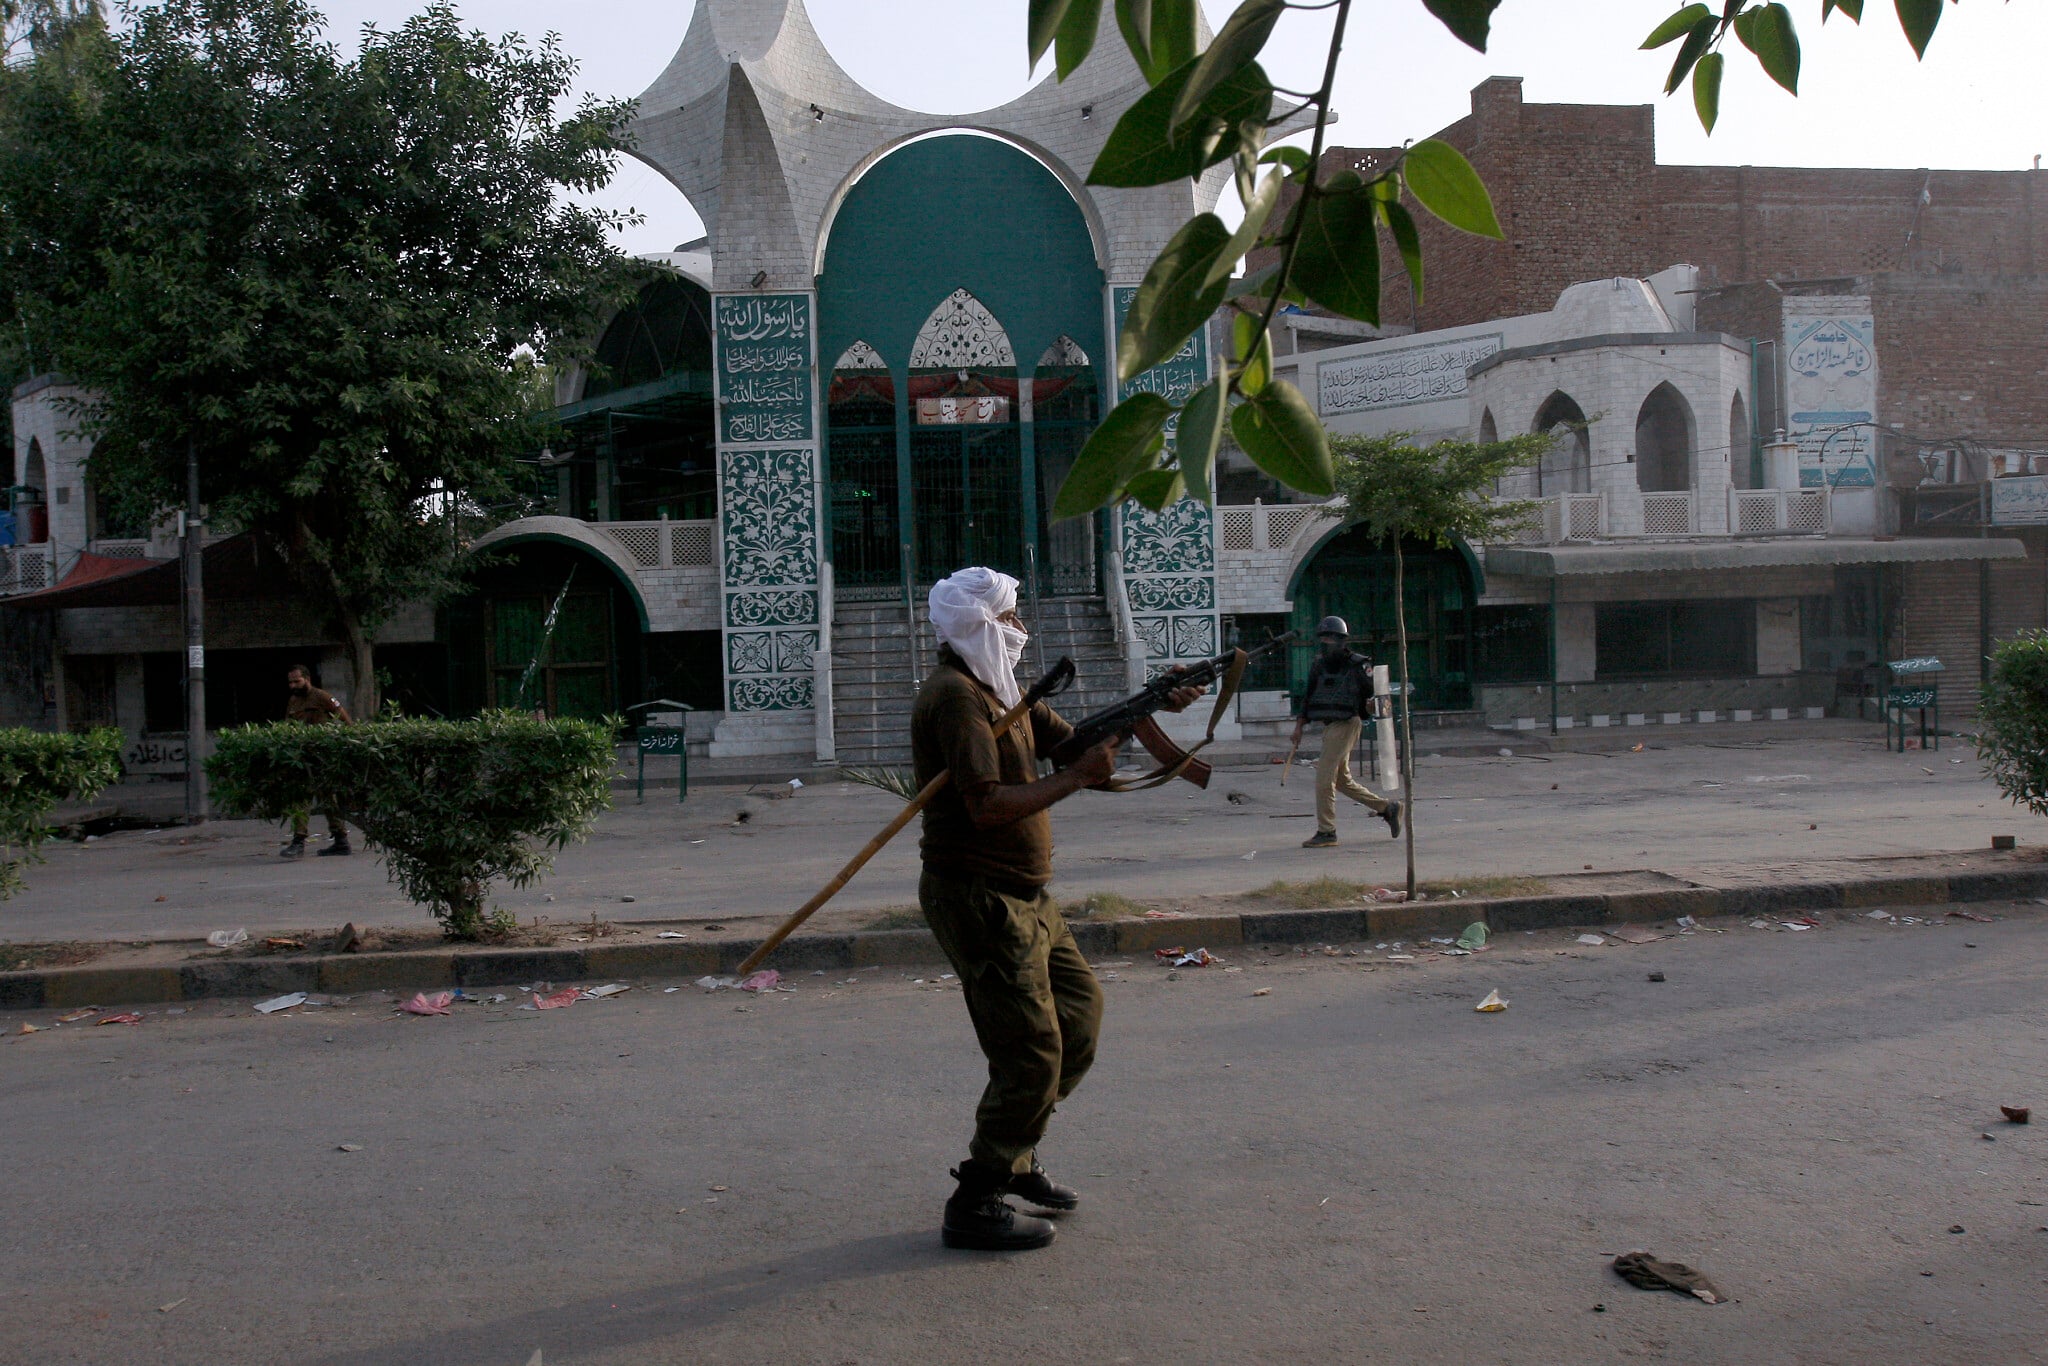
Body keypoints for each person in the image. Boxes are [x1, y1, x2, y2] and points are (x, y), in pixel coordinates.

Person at [913, 566, 1201, 1252]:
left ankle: (1013, 1152)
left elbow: (1075, 747)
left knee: (1078, 1016)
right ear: (984, 626)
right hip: (979, 896)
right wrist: (1074, 781)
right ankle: (976, 1197)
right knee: (1032, 1051)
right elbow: (986, 806)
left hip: (1026, 895)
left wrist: (1149, 709)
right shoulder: (958, 699)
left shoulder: (1004, 689)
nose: (1021, 629)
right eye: (1011, 618)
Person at [1292, 616, 1402, 849]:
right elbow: (1308, 697)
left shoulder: (1358, 665)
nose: (1326, 642)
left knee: (1324, 778)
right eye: (1322, 638)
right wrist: (1299, 726)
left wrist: (1373, 707)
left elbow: (1378, 693)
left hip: (1347, 723)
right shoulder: (1318, 664)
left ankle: (1327, 831)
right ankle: (1387, 808)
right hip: (1329, 725)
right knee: (1341, 780)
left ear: (1341, 640)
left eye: (1330, 638)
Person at [280, 664, 353, 859]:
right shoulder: (293, 701)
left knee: (321, 799)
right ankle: (334, 840)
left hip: (322, 756)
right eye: (291, 682)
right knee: (309, 798)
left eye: (297, 681)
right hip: (302, 758)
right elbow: (288, 727)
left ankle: (305, 842)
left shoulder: (321, 696)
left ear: (307, 679)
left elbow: (345, 719)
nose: (293, 685)